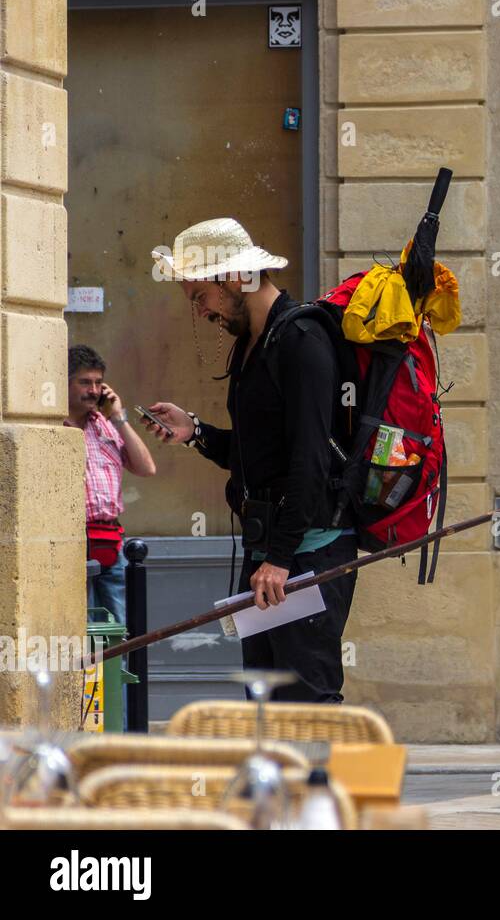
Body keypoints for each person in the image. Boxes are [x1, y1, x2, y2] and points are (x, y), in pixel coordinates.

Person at [140, 218, 357, 703]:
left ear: (235, 278)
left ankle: (318, 782)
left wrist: (281, 560)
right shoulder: (253, 346)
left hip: (305, 555)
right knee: (265, 702)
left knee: (306, 704)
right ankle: (275, 783)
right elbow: (256, 453)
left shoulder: (302, 341)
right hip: (269, 555)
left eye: (200, 296)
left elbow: (311, 460)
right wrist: (194, 432)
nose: (199, 311)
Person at [66, 344, 157, 625]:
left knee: (117, 625)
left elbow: (146, 468)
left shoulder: (105, 425)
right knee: (79, 627)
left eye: (98, 383)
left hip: (109, 541)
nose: (93, 390)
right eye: (84, 382)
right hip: (70, 540)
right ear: (63, 383)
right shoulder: (51, 427)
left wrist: (118, 418)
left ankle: (116, 671)